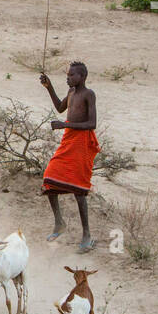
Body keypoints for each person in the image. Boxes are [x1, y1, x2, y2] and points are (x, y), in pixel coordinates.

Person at [39, 61, 98, 252]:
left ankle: (87, 236)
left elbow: (92, 123)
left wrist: (65, 125)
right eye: (67, 74)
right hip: (69, 140)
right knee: (49, 177)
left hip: (81, 142)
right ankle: (59, 223)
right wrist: (49, 87)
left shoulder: (88, 94)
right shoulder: (72, 93)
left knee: (79, 191)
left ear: (82, 77)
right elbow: (60, 108)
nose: (68, 77)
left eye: (72, 75)